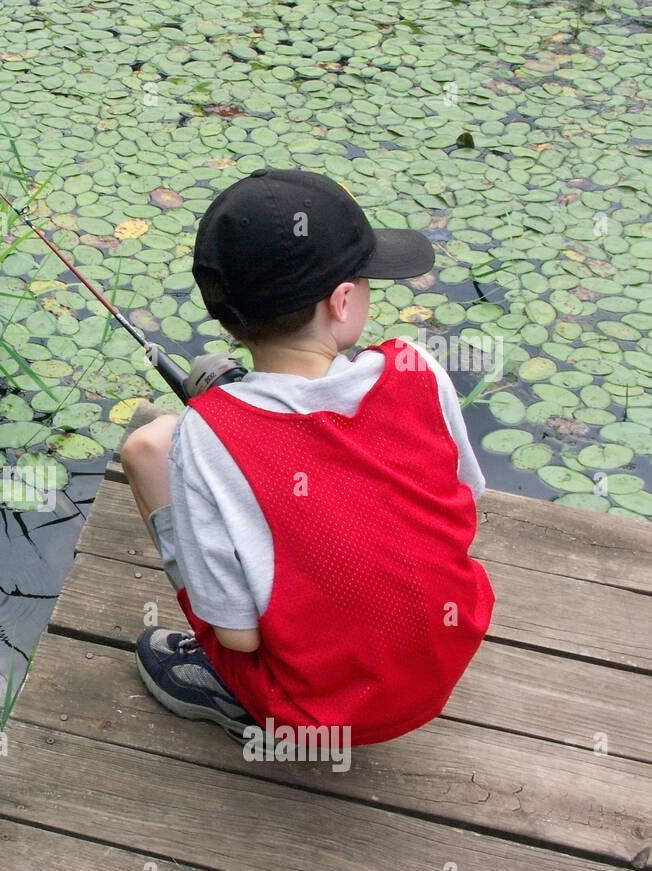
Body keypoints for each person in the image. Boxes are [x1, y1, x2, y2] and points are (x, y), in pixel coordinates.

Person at [119, 168, 495, 749]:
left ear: (225, 315)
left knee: (147, 447)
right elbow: (464, 501)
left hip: (320, 714)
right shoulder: (418, 366)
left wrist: (227, 430)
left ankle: (228, 693)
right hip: (445, 654)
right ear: (343, 302)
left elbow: (239, 638)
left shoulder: (206, 436)